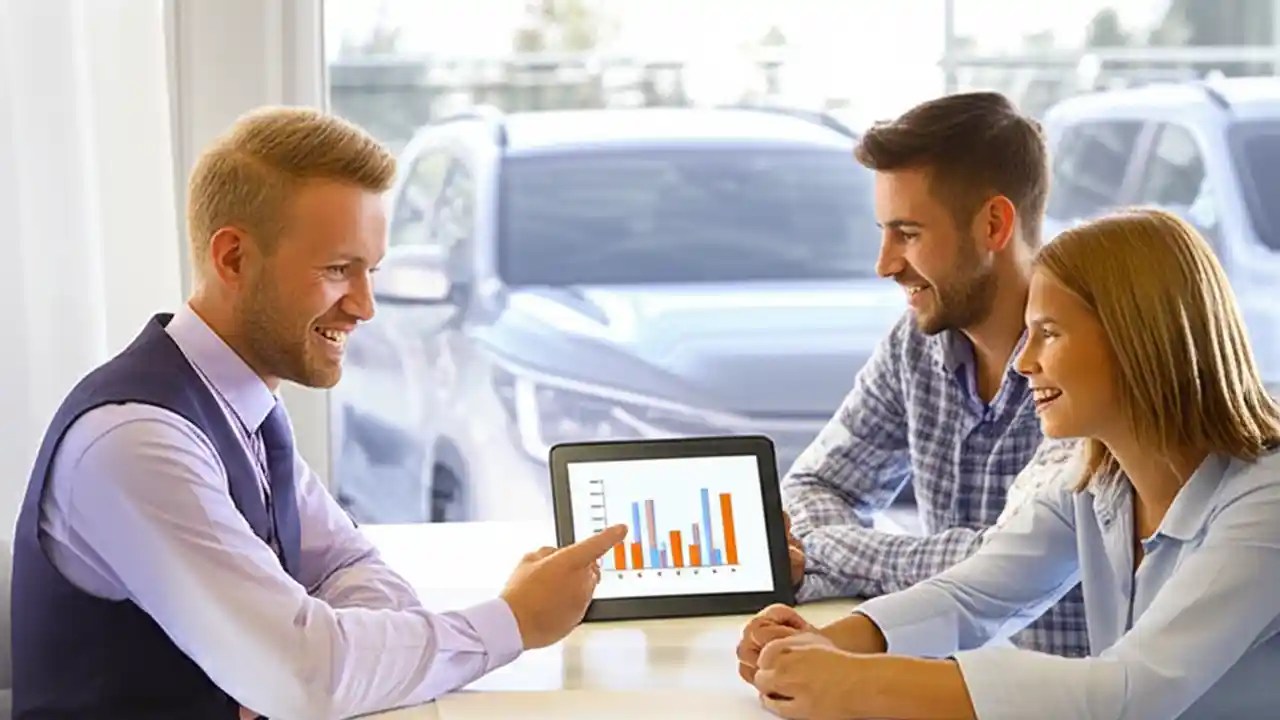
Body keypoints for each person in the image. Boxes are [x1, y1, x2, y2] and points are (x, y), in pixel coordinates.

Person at [10, 106, 627, 719]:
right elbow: (309, 678)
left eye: (371, 272)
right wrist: (513, 620)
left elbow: (347, 567)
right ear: (233, 259)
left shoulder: (241, 410)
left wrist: (323, 659)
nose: (364, 307)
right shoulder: (136, 442)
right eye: (338, 270)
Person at [739, 208, 1280, 719]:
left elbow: (1130, 692)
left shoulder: (1265, 499)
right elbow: (974, 593)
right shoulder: (1099, 478)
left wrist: (852, 683)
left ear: (1137, 338)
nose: (1023, 363)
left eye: (1048, 333)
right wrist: (821, 644)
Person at [781, 90, 1087, 656]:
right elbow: (815, 485)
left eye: (909, 233)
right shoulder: (917, 345)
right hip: (938, 689)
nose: (885, 264)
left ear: (994, 224)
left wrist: (828, 553)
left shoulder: (1091, 355)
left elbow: (1006, 562)